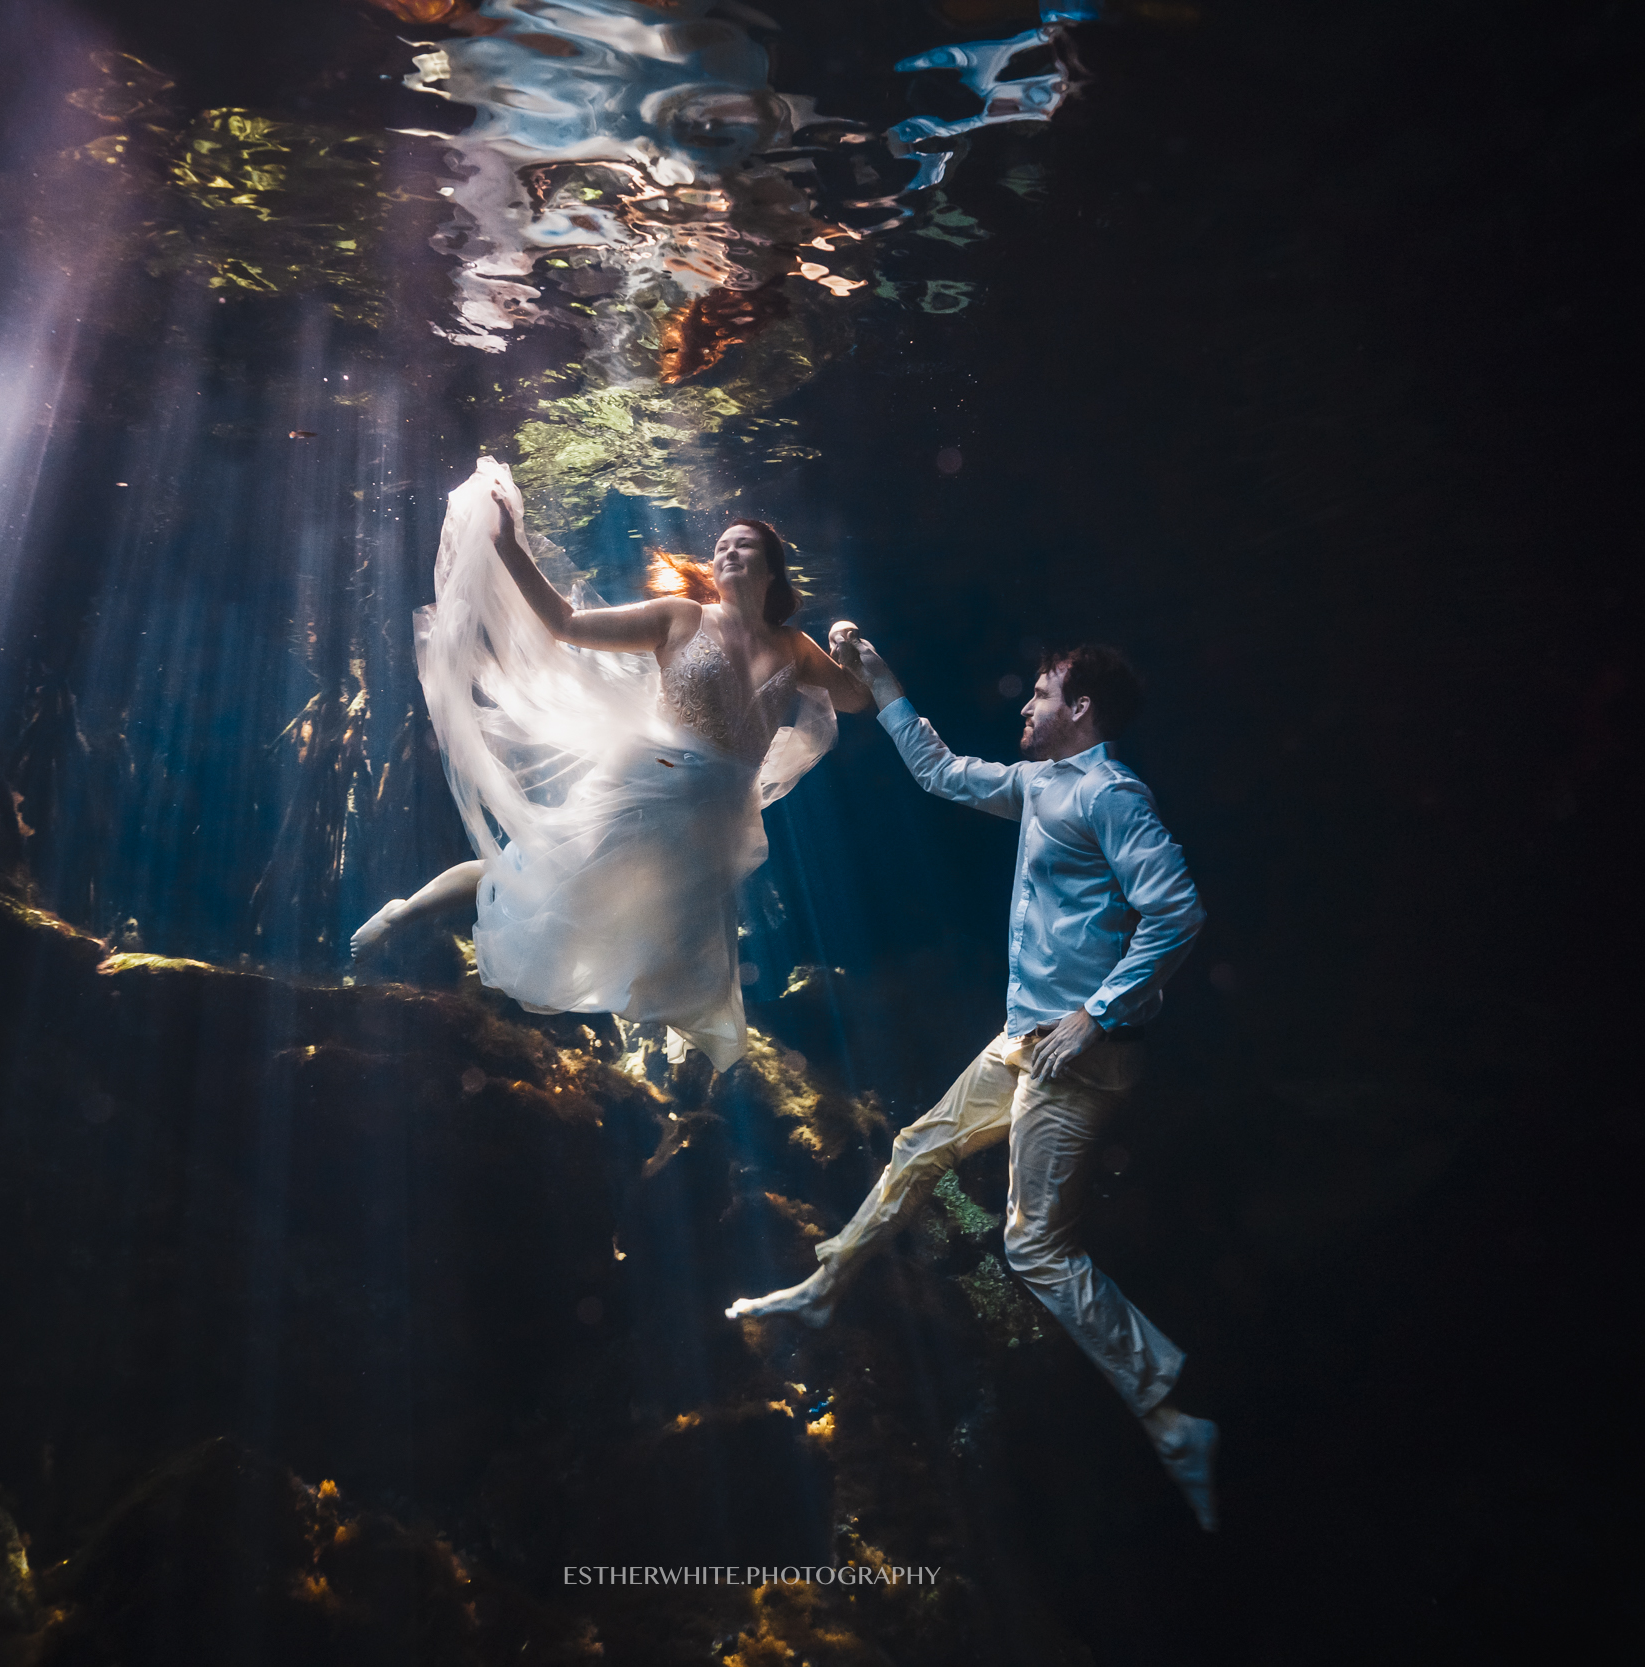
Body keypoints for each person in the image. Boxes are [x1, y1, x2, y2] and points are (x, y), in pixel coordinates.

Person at [725, 627, 1221, 1529]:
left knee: (1035, 1247)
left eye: (1041, 693)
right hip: (1021, 1041)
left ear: (1080, 711)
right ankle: (827, 1286)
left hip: (1078, 1057)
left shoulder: (1112, 794)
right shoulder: (1040, 783)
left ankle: (1169, 1416)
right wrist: (881, 681)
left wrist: (1096, 1011)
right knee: (917, 1147)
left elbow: (1178, 911)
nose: (1026, 705)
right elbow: (943, 772)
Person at [351, 459, 870, 1070]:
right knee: (534, 875)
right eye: (722, 544)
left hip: (720, 812)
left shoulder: (794, 648)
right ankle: (403, 911)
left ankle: (675, 1028)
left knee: (678, 926)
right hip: (649, 781)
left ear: (773, 568)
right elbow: (565, 624)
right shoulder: (681, 617)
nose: (728, 552)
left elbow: (855, 698)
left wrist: (848, 648)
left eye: (745, 545)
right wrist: (511, 547)